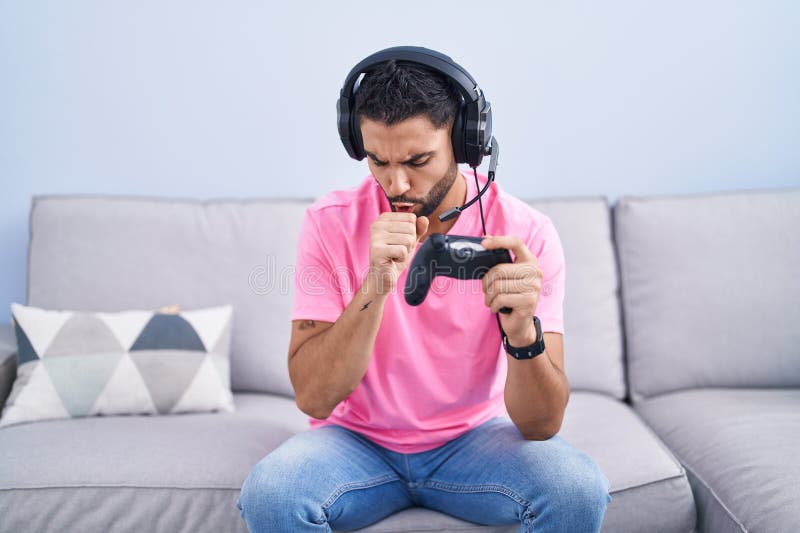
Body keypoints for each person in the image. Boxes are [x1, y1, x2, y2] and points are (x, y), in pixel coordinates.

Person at [237, 47, 611, 532]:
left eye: (418, 160)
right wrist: (375, 284)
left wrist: (522, 331)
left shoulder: (526, 233)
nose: (396, 183)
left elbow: (541, 425)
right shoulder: (329, 224)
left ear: (464, 140)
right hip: (355, 443)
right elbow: (313, 398)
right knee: (271, 496)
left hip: (475, 440)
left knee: (577, 490)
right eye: (377, 159)